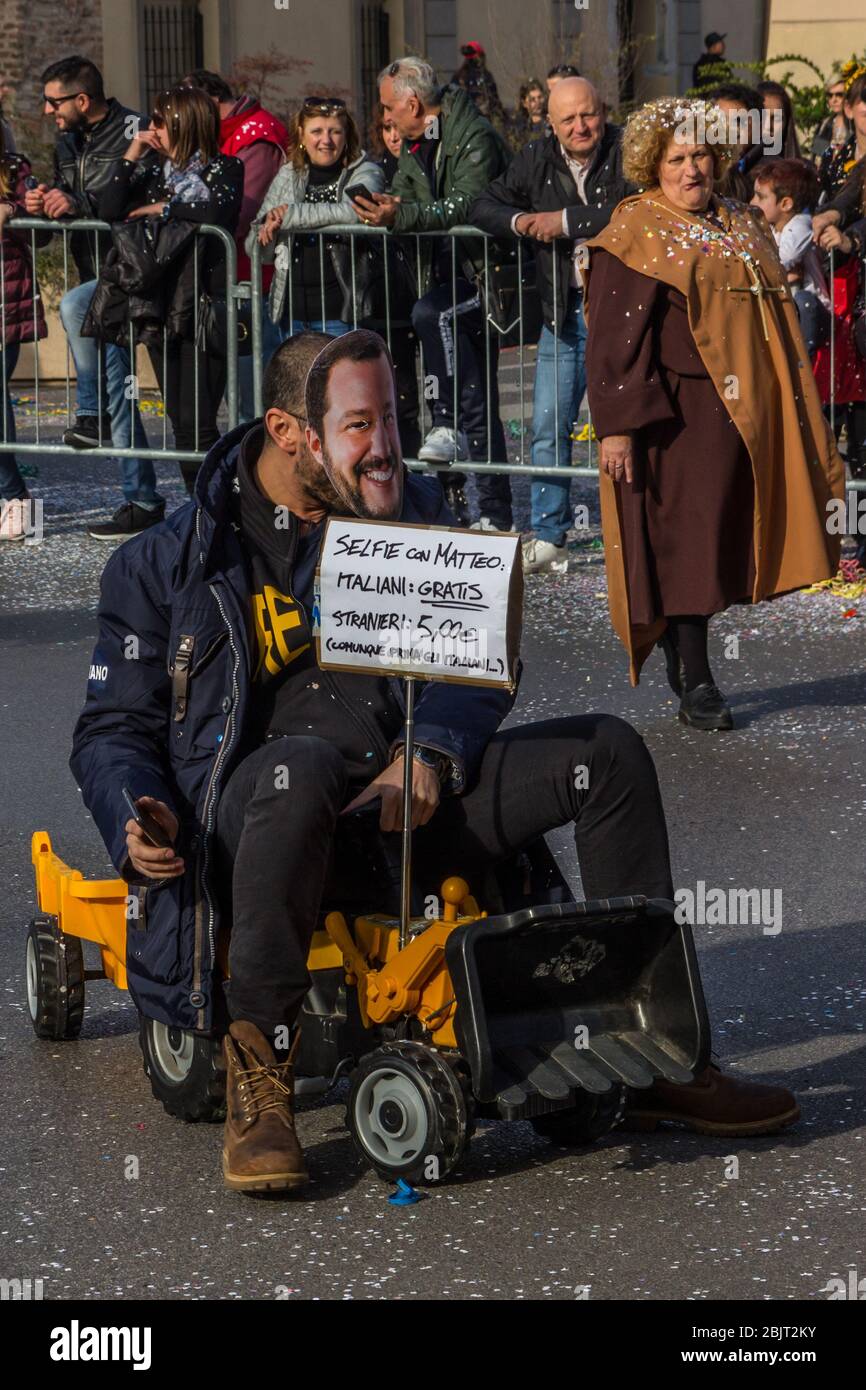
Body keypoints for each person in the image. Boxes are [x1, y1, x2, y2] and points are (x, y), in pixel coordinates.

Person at [70, 325, 803, 1194]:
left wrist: (429, 749)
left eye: (392, 419)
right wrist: (132, 814)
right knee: (297, 762)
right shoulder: (170, 562)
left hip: (401, 811)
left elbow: (480, 665)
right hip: (264, 828)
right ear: (286, 432)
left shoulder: (413, 511)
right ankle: (259, 1076)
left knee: (607, 751)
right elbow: (112, 729)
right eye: (358, 426)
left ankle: (651, 1053)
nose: (386, 449)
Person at [582, 97, 844, 729]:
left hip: (739, 411)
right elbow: (615, 338)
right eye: (676, 158)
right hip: (671, 413)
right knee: (688, 543)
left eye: (701, 154)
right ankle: (696, 680)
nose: (691, 169)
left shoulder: (739, 219)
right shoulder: (636, 226)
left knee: (722, 536)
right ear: (653, 163)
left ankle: (684, 647)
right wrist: (617, 428)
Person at [471, 77, 633, 574]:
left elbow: (636, 210)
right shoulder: (535, 157)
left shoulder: (627, 149)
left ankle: (635, 533)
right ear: (551, 124)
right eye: (569, 120)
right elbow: (482, 204)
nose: (582, 126)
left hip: (623, 315)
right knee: (546, 426)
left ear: (602, 110)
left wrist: (564, 221)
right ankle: (549, 535)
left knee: (627, 430)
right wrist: (521, 223)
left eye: (588, 114)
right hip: (561, 317)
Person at [353, 56, 513, 531]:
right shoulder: (427, 138)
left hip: (489, 279)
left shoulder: (474, 136)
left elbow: (467, 204)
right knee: (477, 397)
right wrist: (388, 202)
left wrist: (402, 215)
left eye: (388, 107)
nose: (386, 118)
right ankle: (489, 513)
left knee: (431, 316)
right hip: (449, 276)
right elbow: (412, 191)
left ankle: (447, 428)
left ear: (413, 103)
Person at [23, 56, 163, 540]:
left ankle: (139, 490)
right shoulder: (67, 141)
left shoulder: (136, 128)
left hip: (133, 278)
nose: (47, 111)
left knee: (127, 396)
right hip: (97, 280)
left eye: (53, 101)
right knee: (120, 393)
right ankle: (140, 497)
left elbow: (127, 201)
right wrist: (45, 204)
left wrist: (77, 203)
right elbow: (67, 207)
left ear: (82, 100)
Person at [92, 84, 243, 497]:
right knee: (179, 418)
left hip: (204, 307)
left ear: (183, 123)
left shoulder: (224, 168)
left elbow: (218, 211)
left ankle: (219, 508)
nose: (151, 127)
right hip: (163, 309)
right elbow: (109, 208)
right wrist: (132, 153)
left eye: (160, 120)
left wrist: (165, 208)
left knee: (201, 420)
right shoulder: (153, 172)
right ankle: (201, 507)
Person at [182, 69, 290, 425]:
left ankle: (256, 474)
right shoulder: (220, 136)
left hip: (252, 279)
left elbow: (240, 213)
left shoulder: (257, 136)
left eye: (191, 109)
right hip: (223, 281)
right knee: (233, 398)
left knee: (251, 400)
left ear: (212, 103)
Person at [246, 98, 384, 346]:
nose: (326, 140)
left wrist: (289, 215)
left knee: (336, 385)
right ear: (301, 134)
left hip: (339, 314)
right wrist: (267, 230)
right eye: (317, 131)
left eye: (335, 131)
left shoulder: (365, 170)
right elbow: (254, 244)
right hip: (289, 314)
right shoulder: (288, 174)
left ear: (347, 135)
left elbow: (355, 212)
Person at [364, 105, 422, 455]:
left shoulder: (423, 164)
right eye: (386, 128)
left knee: (434, 398)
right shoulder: (376, 170)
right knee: (395, 398)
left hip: (422, 291)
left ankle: (449, 485)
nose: (393, 136)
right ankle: (401, 473)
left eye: (396, 127)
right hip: (386, 297)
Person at [0, 130, 47, 542]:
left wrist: (11, 211)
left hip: (4, 307)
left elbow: (43, 229)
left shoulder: (15, 172)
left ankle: (16, 497)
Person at [750, 158, 828, 353]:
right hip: (787, 302)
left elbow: (780, 260)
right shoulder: (773, 228)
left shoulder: (801, 224)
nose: (752, 202)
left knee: (803, 299)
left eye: (760, 197)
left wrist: (783, 274)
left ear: (785, 203)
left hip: (815, 310)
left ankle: (804, 361)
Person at [706, 82, 767, 201]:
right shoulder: (702, 165)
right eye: (720, 120)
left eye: (738, 121)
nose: (729, 128)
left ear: (759, 127)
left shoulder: (770, 172)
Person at [452, 41, 507, 131]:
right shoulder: (485, 76)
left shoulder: (458, 76)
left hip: (462, 125)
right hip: (481, 124)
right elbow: (495, 102)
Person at [757, 80, 801, 160]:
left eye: (777, 118)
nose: (768, 127)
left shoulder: (803, 170)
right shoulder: (732, 166)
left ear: (787, 123)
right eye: (761, 116)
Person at [812, 76, 852, 160]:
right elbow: (817, 156)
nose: (834, 100)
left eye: (839, 95)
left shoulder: (856, 123)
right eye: (830, 95)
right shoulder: (825, 123)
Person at [510, 79, 547, 148]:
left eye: (540, 97)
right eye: (532, 100)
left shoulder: (549, 122)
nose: (538, 102)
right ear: (524, 103)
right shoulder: (520, 128)